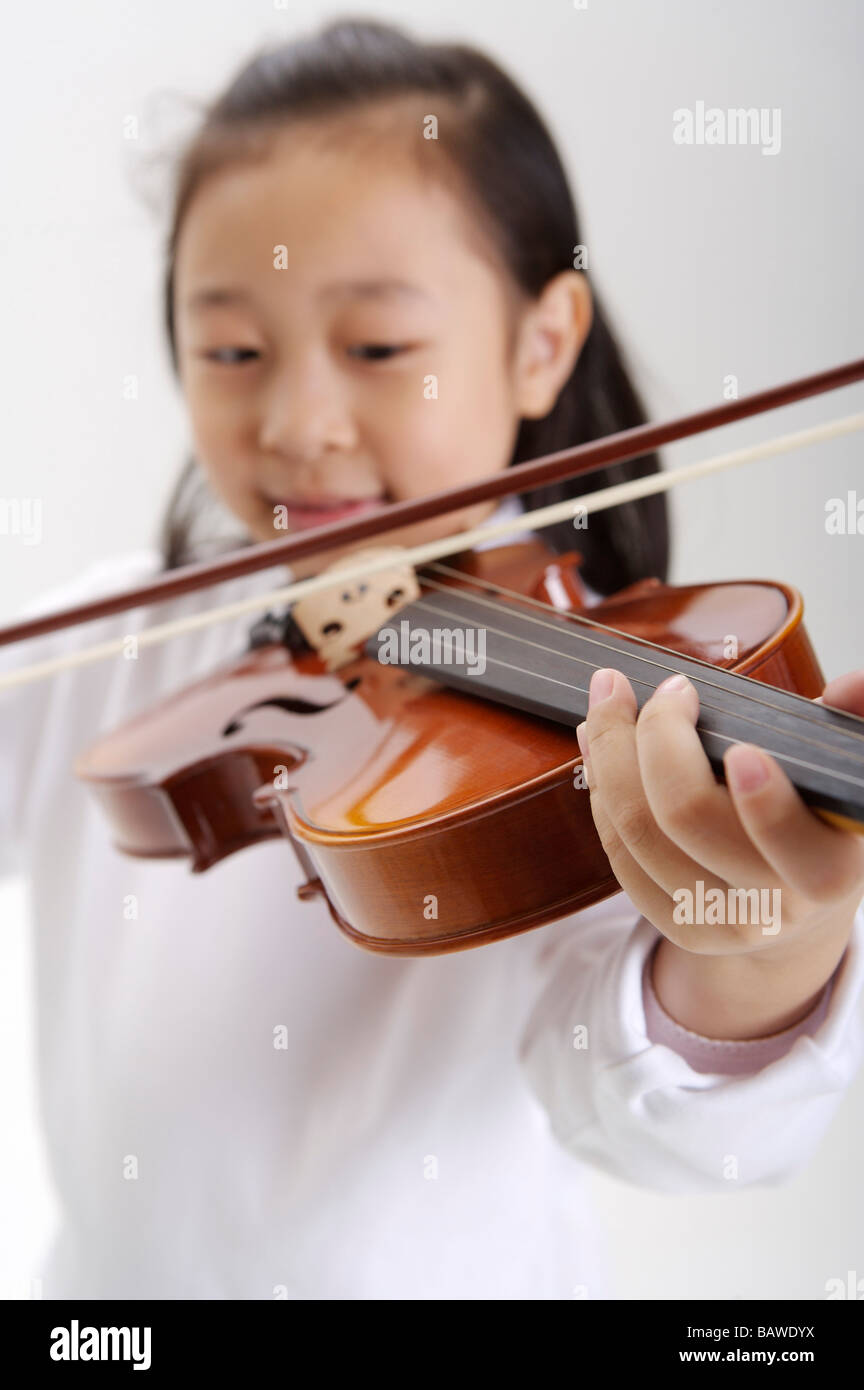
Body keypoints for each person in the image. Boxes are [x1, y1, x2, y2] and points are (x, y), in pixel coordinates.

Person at [2, 18, 862, 1300]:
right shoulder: (111, 644)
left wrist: (755, 951)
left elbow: (641, 1112)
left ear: (540, 343)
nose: (298, 426)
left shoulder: (607, 729)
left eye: (378, 349)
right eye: (232, 351)